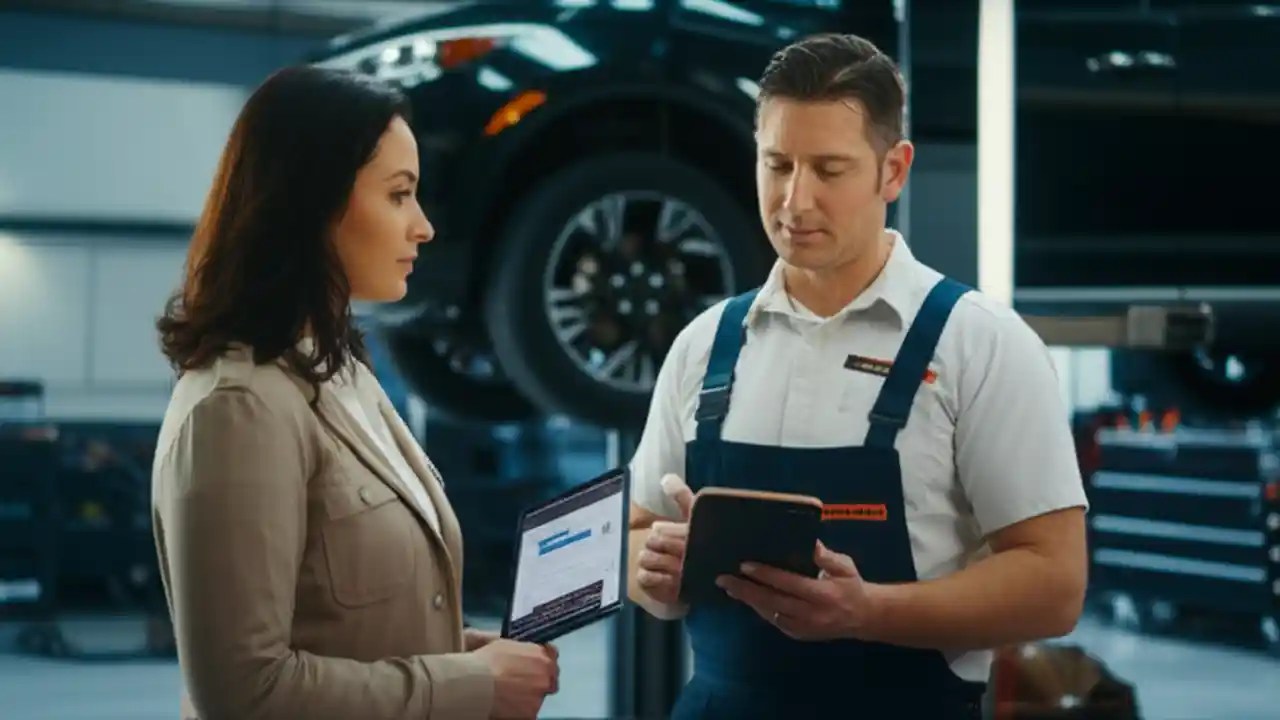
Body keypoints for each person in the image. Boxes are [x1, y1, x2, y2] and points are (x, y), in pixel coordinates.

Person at [625, 33, 1089, 719]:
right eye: (777, 164)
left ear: (893, 170)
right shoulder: (706, 346)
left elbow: (1054, 583)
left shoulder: (981, 345)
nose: (795, 200)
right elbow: (637, 529)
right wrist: (650, 571)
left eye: (829, 169)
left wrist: (868, 611)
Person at [151, 66, 558, 720]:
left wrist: (466, 655)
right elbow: (244, 691)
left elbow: (342, 622)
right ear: (312, 201)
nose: (422, 226)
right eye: (399, 195)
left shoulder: (340, 373)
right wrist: (466, 685)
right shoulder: (238, 407)